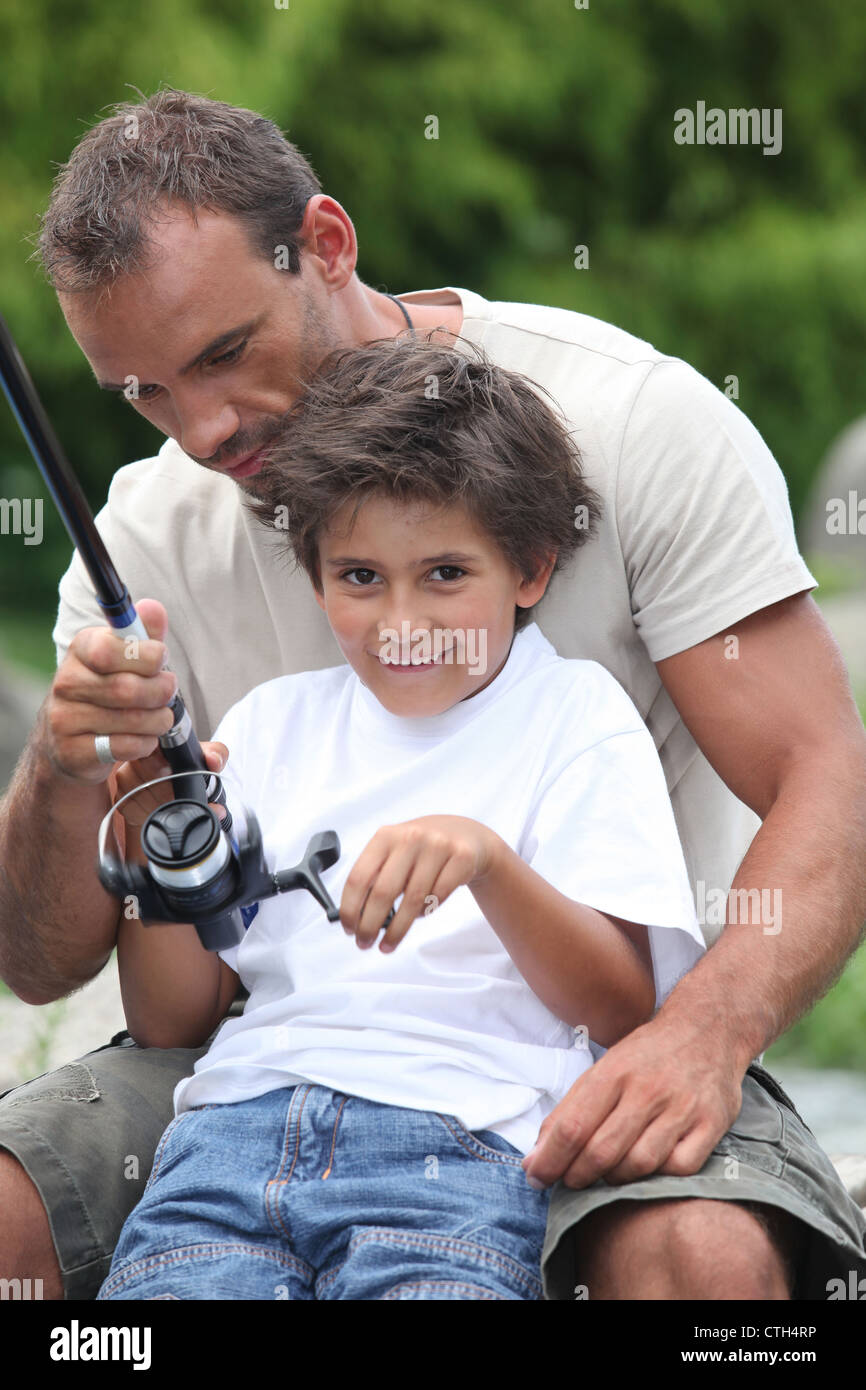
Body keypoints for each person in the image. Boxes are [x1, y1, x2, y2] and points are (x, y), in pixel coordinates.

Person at [1, 88, 865, 1301]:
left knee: (700, 1255)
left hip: (571, 1054)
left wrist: (703, 1033)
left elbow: (826, 776)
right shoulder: (147, 535)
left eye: (223, 353)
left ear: (329, 244)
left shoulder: (631, 422)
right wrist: (70, 767)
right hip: (258, 1072)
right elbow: (49, 971)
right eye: (138, 392)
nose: (198, 430)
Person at [94, 336, 705, 1300]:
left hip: (458, 1164)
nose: (402, 622)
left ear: (532, 568)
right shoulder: (267, 725)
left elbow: (626, 1008)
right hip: (228, 1143)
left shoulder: (578, 718)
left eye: (447, 574)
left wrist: (487, 864)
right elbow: (169, 1016)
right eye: (361, 578)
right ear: (316, 575)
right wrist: (154, 804)